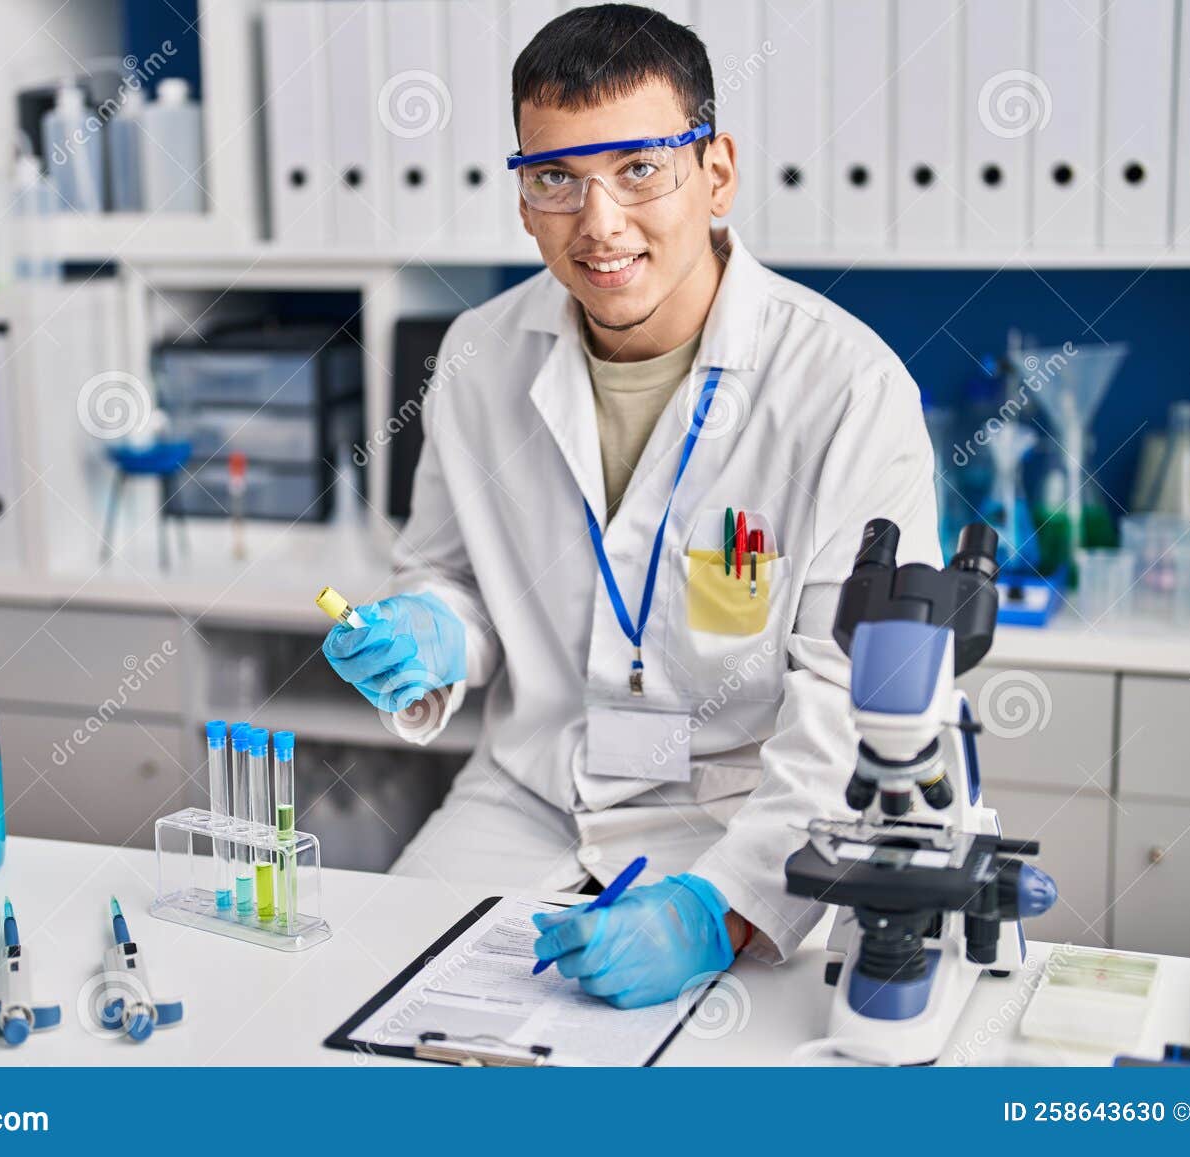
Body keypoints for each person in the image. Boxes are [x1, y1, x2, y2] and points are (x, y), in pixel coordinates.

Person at [324, 4, 938, 1009]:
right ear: (523, 198)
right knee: (381, 1023)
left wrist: (724, 907)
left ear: (717, 172)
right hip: (525, 798)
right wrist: (431, 627)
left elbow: (851, 700)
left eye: (640, 168)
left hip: (735, 819)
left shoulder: (847, 390)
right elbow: (450, 573)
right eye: (557, 179)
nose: (598, 223)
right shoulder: (477, 355)